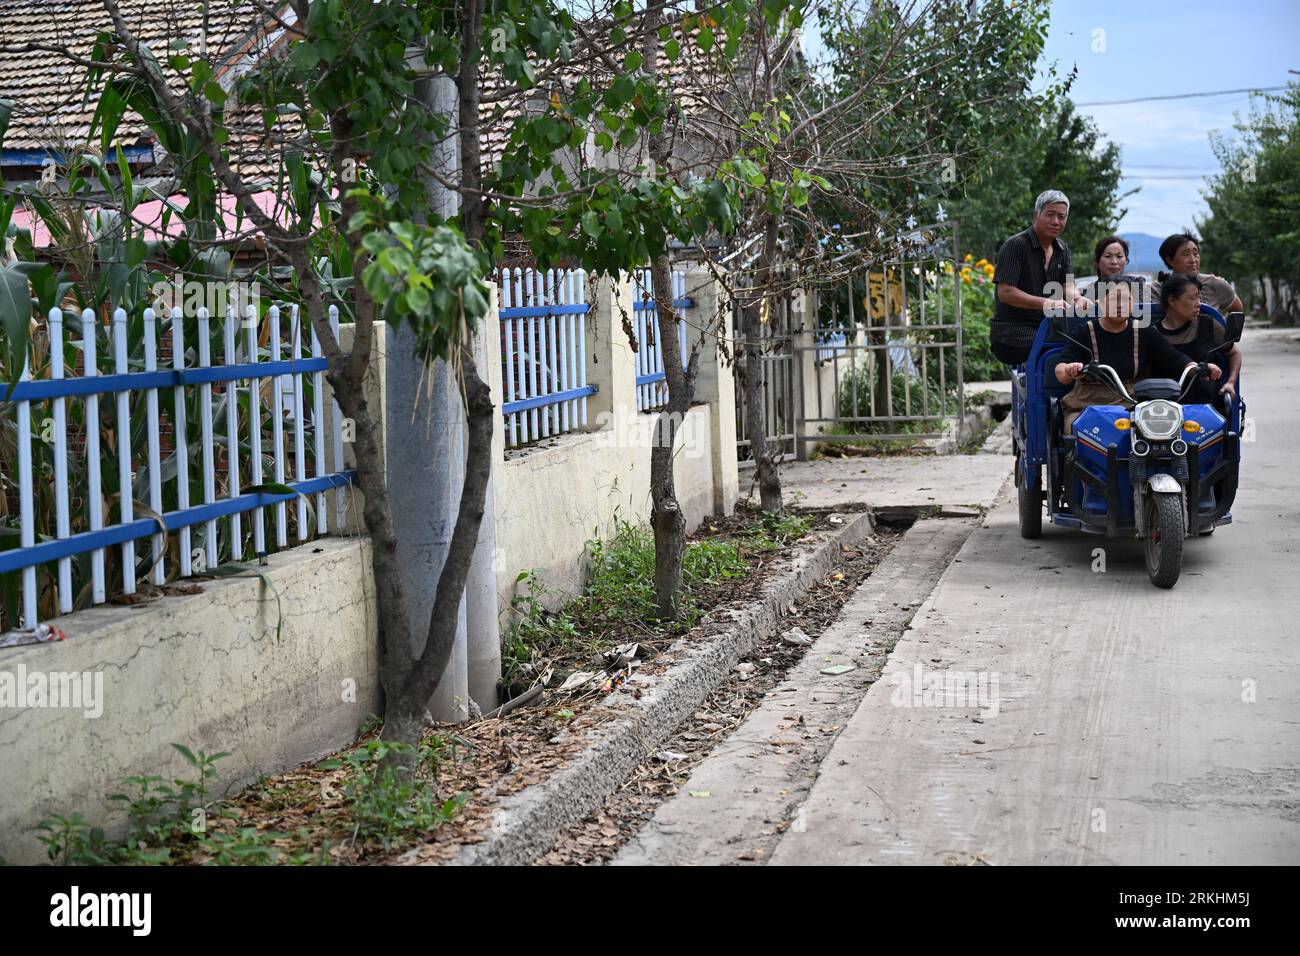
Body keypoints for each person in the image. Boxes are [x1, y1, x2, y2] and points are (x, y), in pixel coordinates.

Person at [1054, 280, 1218, 435]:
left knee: (1164, 432)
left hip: (1133, 405)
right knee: (1077, 428)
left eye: (1126, 299)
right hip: (1088, 406)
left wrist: (1199, 368)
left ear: (1133, 303)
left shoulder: (1144, 332)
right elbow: (1060, 370)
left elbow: (1174, 357)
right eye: (1113, 299)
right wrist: (1069, 370)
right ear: (1100, 302)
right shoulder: (1083, 332)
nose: (1120, 305)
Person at [990, 189, 1092, 365]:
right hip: (1013, 333)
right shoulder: (1015, 246)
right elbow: (1005, 292)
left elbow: (1068, 284)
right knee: (1060, 354)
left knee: (1090, 346)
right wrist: (1047, 304)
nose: (1056, 221)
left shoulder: (1062, 249)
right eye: (1050, 214)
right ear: (1036, 215)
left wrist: (1077, 298)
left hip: (1050, 329)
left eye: (1061, 217)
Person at [1155, 273, 1241, 407]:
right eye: (1192, 298)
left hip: (1208, 410)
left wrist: (1230, 382)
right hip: (1165, 415)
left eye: (1199, 298)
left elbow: (1234, 353)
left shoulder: (1208, 324)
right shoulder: (1153, 334)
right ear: (1172, 301)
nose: (1198, 304)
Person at [1149, 233, 1244, 315]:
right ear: (1169, 259)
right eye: (1186, 254)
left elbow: (1237, 311)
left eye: (1196, 253)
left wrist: (1223, 332)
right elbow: (1140, 323)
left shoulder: (1215, 284)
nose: (1193, 260)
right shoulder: (1154, 290)